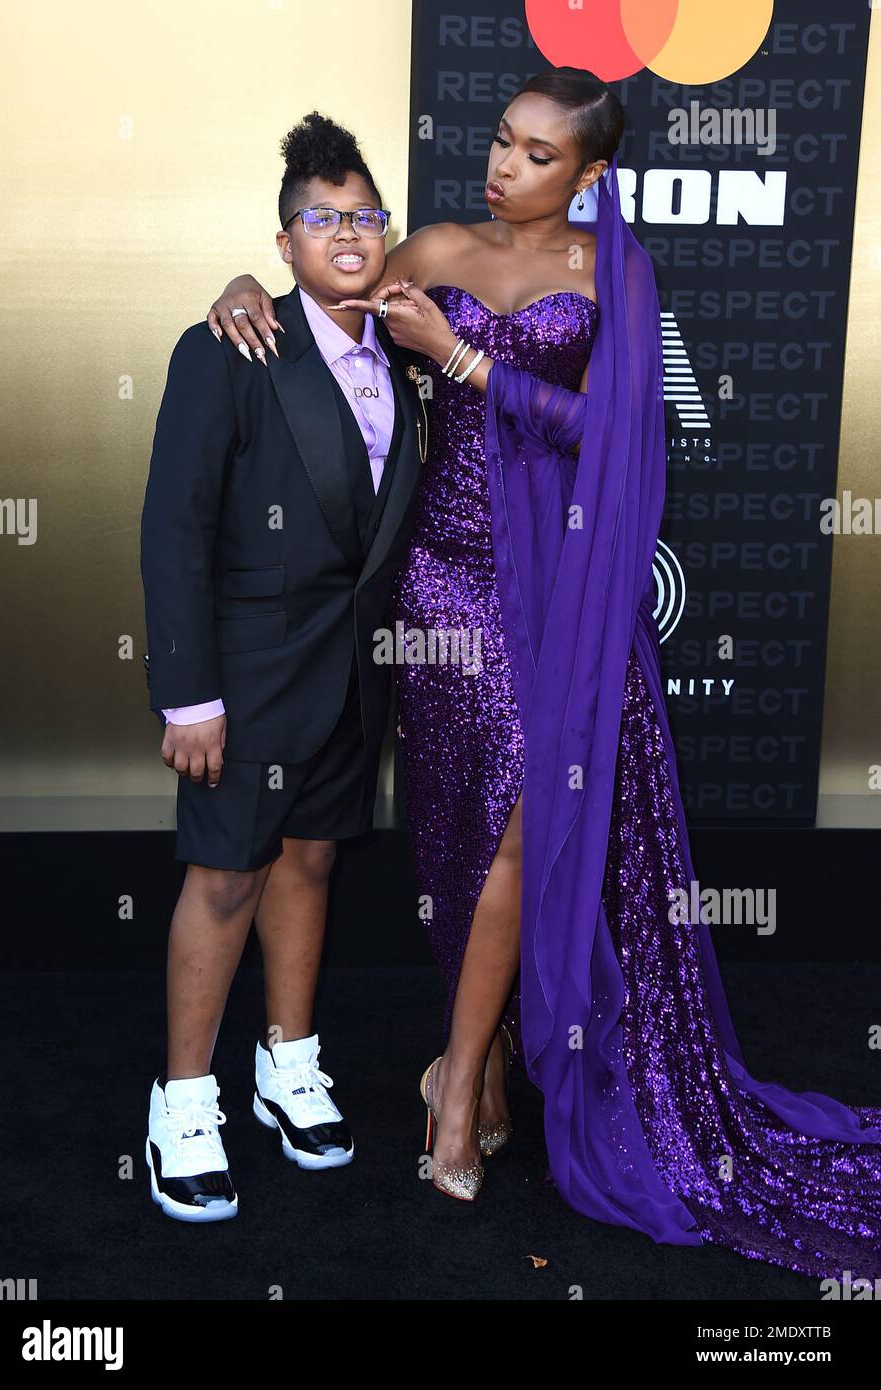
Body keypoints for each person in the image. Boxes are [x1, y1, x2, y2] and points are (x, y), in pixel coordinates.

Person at [207, 71, 881, 1276]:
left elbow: (615, 434)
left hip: (568, 579)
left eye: (534, 154)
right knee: (471, 828)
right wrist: (248, 285)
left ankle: (459, 1082)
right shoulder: (433, 244)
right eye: (501, 143)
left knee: (531, 820)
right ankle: (482, 1057)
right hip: (448, 582)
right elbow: (329, 330)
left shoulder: (608, 270)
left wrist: (461, 361)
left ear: (588, 175)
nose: (504, 167)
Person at [140, 112, 423, 1221]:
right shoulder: (230, 344)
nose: (348, 234)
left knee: (310, 866)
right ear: (286, 236)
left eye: (365, 215)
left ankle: (287, 1064)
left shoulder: (408, 344)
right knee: (225, 879)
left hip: (355, 675)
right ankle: (184, 1099)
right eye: (323, 219)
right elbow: (174, 528)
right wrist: (188, 692)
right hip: (245, 682)